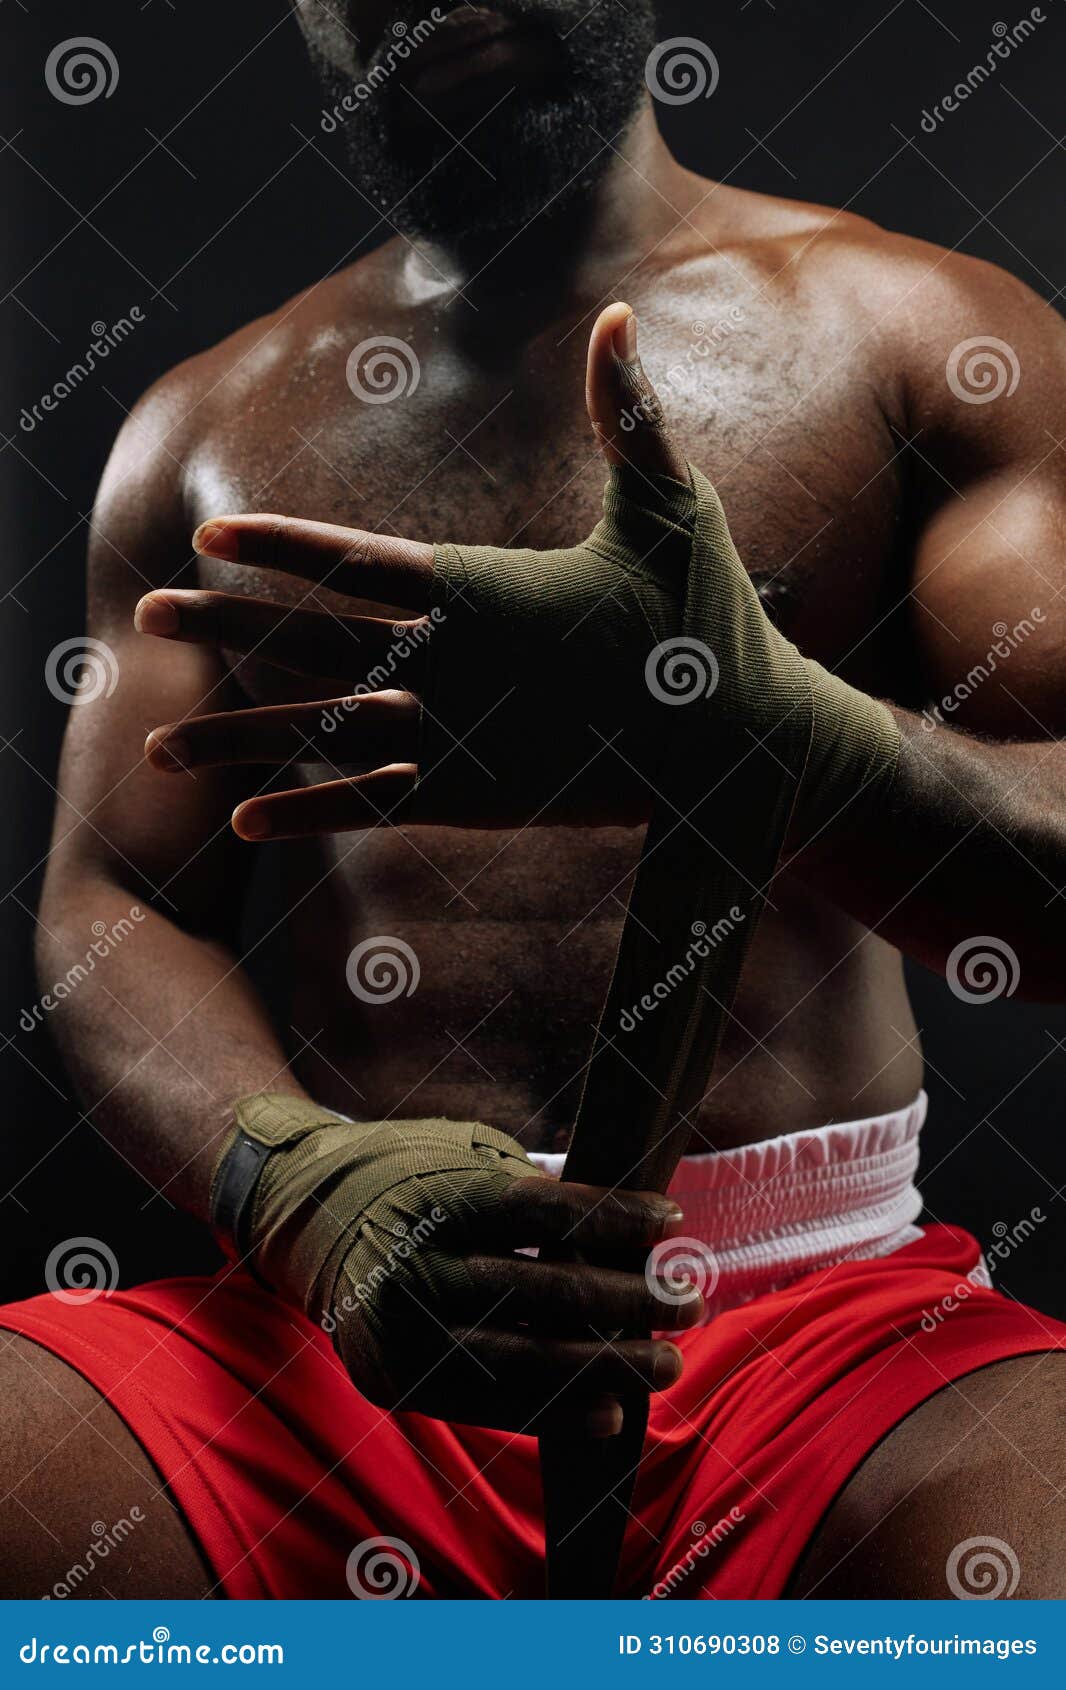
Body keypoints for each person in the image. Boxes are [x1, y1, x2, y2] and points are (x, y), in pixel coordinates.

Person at [3, 0, 1064, 1600]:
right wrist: (296, 1182)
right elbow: (115, 907)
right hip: (347, 1319)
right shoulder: (203, 430)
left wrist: (775, 739)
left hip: (818, 1328)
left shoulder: (923, 335)